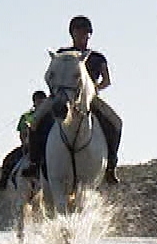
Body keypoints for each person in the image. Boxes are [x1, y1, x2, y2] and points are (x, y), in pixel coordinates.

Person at [25, 15, 124, 185]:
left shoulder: (97, 58)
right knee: (35, 122)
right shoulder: (62, 54)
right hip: (61, 97)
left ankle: (110, 166)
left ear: (89, 35)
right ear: (72, 34)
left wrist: (94, 89)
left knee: (116, 122)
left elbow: (107, 80)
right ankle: (34, 163)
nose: (82, 36)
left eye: (85, 33)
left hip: (89, 99)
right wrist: (55, 92)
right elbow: (51, 75)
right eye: (79, 32)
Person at [0, 90, 48, 192]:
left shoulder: (50, 115)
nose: (40, 103)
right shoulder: (27, 116)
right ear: (34, 102)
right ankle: (3, 182)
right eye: (38, 101)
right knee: (8, 159)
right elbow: (22, 133)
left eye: (42, 101)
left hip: (48, 144)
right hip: (31, 145)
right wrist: (25, 143)